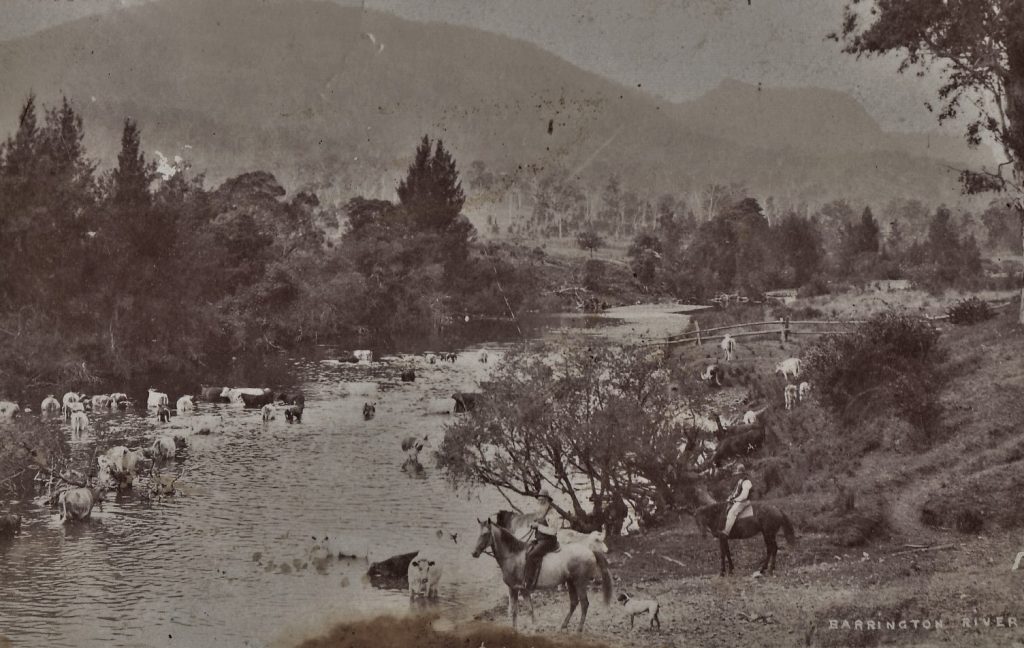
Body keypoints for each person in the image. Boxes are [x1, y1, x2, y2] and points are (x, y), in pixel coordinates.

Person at [523, 489, 560, 590]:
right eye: (539, 500)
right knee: (525, 549)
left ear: (548, 501)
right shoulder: (541, 511)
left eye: (543, 500)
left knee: (531, 555)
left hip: (549, 541)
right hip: (540, 540)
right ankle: (526, 577)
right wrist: (532, 525)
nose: (540, 502)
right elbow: (538, 523)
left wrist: (538, 526)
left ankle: (529, 585)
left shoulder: (552, 513)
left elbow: (553, 531)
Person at [719, 464, 753, 538]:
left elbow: (744, 496)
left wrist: (735, 500)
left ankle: (726, 532)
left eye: (739, 474)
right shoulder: (740, 481)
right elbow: (736, 492)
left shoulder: (746, 482)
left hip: (744, 501)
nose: (738, 475)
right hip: (739, 500)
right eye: (738, 474)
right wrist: (730, 497)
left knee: (732, 512)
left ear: (743, 473)